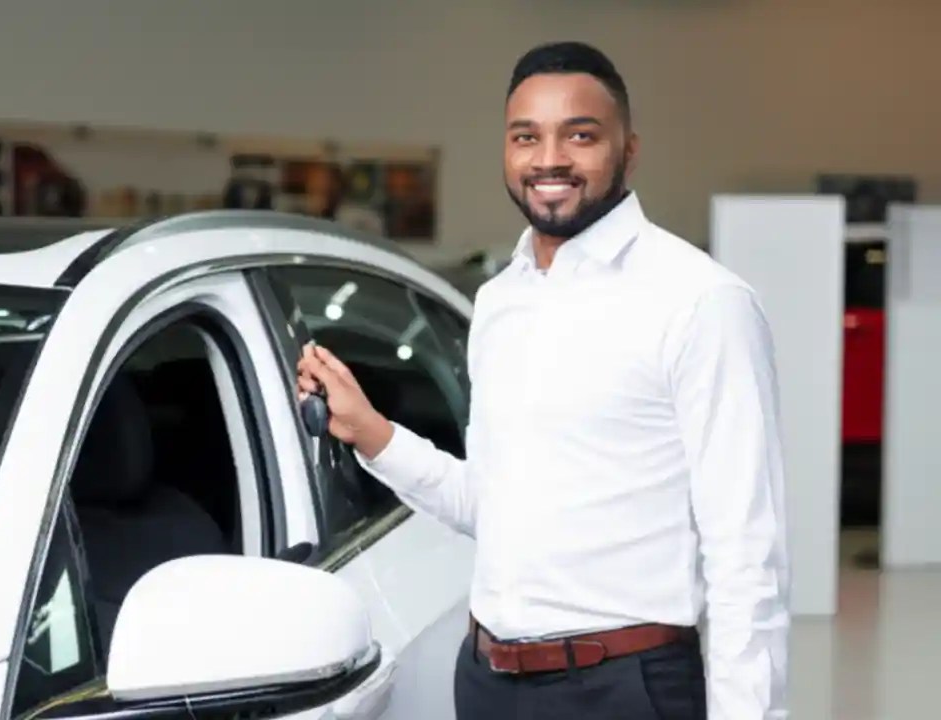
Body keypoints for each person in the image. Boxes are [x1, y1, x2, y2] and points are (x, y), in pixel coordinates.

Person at [296, 41, 788, 720]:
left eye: (580, 135)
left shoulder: (700, 302)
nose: (549, 159)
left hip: (622, 689)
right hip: (487, 683)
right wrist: (375, 435)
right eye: (526, 136)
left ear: (628, 150)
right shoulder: (502, 302)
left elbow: (747, 557)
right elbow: (492, 507)